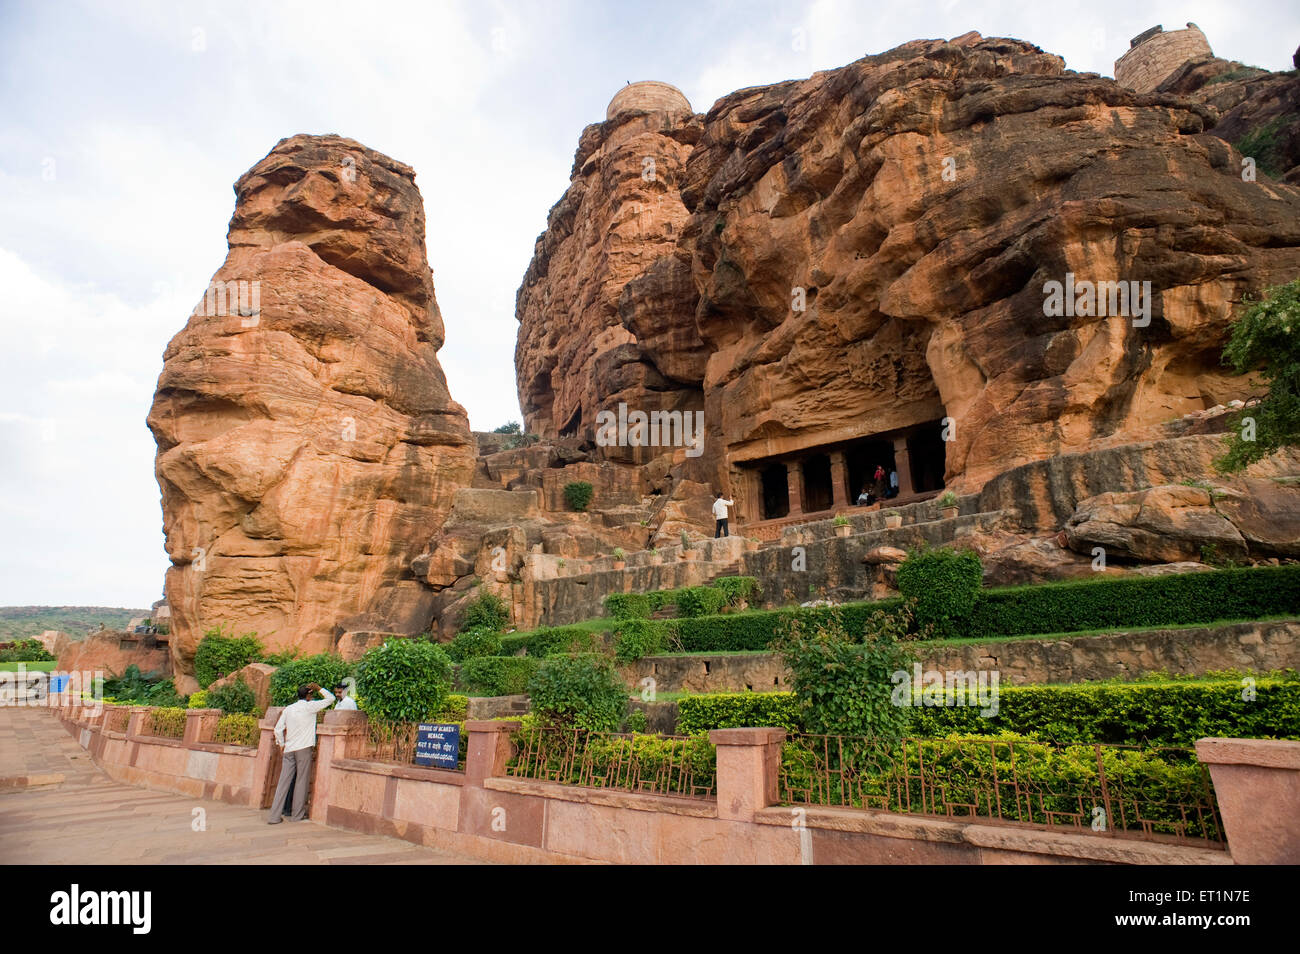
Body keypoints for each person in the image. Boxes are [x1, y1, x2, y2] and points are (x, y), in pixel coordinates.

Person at [267, 682, 334, 824]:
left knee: (283, 782)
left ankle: (274, 816)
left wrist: (281, 745)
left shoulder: (289, 709)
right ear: (309, 695)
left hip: (289, 748)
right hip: (303, 748)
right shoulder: (310, 707)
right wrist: (319, 688)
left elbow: (278, 729)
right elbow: (330, 699)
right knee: (301, 781)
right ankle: (297, 815)